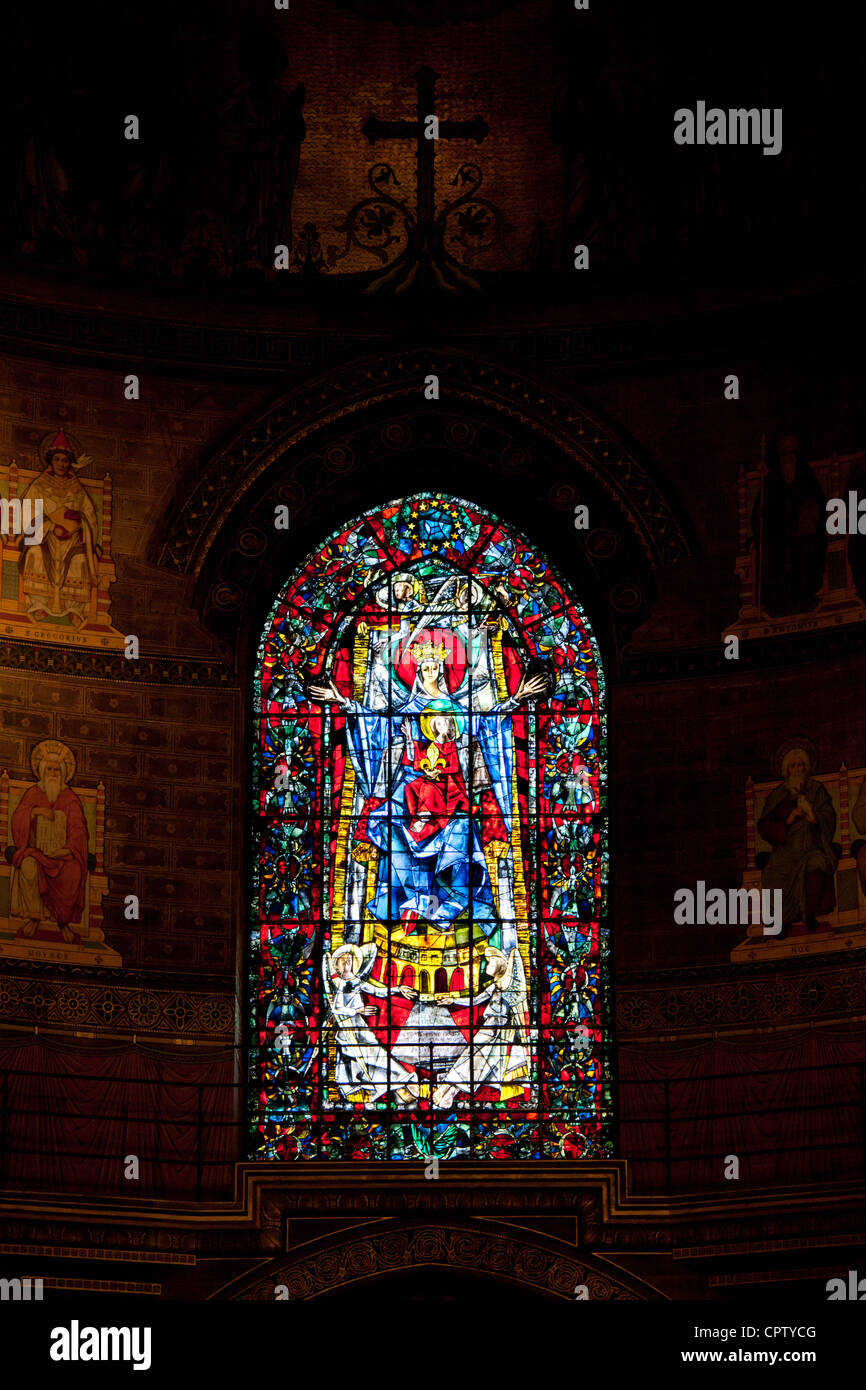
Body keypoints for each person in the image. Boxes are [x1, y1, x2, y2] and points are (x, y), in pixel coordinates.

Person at [19, 430, 99, 628]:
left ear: (69, 462)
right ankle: (39, 603)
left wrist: (79, 526)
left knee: (79, 561)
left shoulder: (77, 489)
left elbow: (89, 515)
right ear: (51, 461)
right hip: (45, 537)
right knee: (36, 555)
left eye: (65, 460)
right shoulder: (39, 486)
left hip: (72, 541)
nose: (61, 464)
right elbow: (28, 511)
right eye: (57, 459)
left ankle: (74, 608)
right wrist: (50, 525)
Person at [11, 741, 88, 943]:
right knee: (28, 866)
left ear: (63, 773)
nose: (53, 773)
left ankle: (63, 923)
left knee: (74, 870)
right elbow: (18, 818)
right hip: (36, 851)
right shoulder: (33, 793)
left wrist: (66, 850)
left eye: (57, 770)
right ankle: (34, 917)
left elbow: (78, 829)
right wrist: (34, 812)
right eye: (49, 769)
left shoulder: (70, 798)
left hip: (62, 855)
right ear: (42, 771)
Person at [758, 747, 837, 934]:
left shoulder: (817, 790)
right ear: (787, 770)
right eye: (793, 766)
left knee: (817, 864)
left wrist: (813, 817)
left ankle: (808, 916)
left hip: (812, 847)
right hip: (785, 849)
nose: (797, 769)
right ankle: (781, 922)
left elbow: (829, 818)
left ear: (806, 767)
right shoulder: (778, 794)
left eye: (801, 765)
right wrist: (789, 819)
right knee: (774, 873)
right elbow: (764, 825)